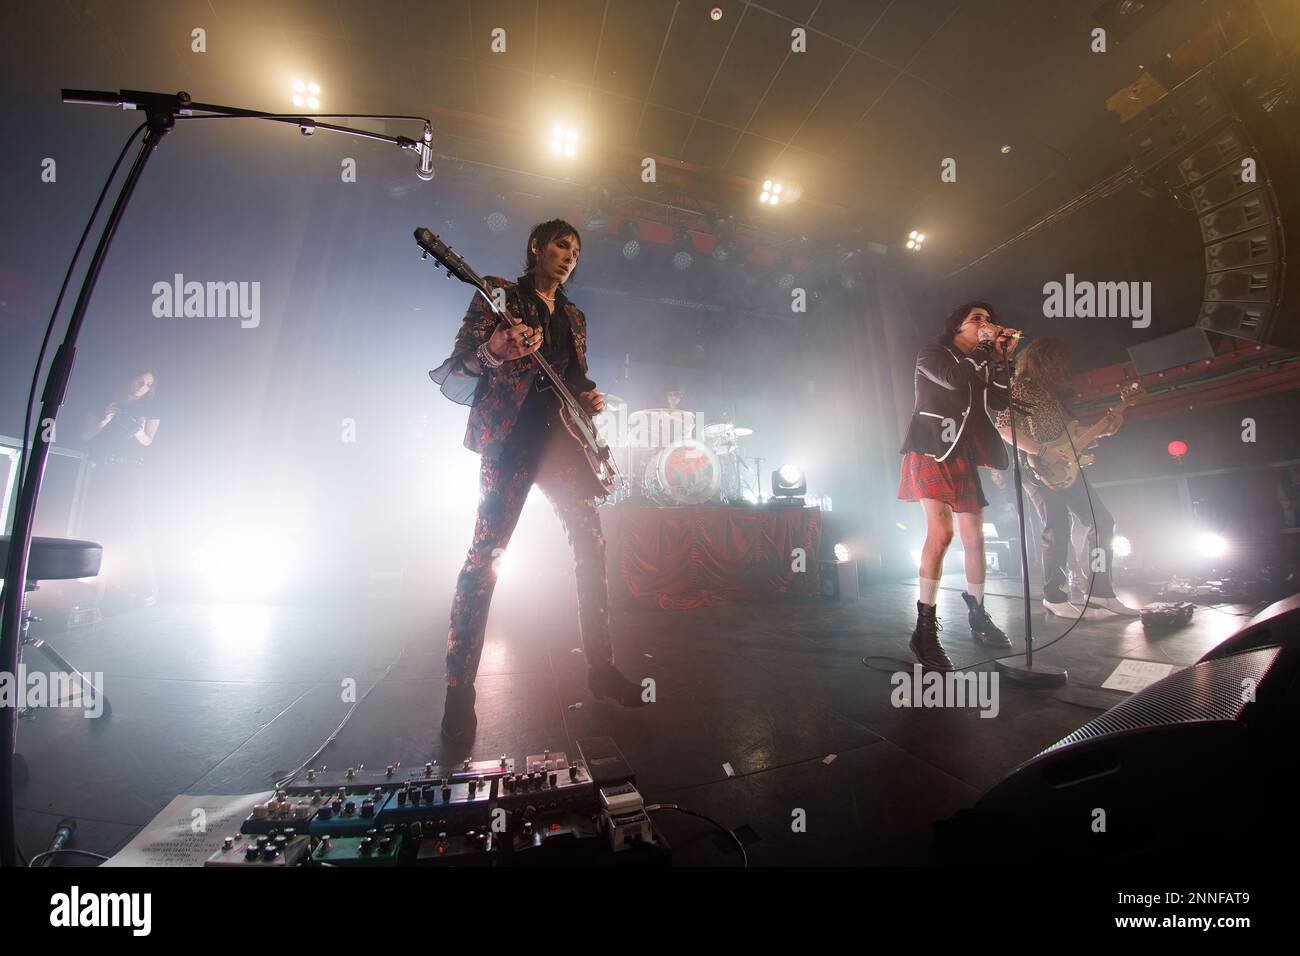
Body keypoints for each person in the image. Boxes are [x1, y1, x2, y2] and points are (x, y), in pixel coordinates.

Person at [429, 219, 645, 743]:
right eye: (561, 245)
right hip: (511, 442)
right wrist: (496, 350)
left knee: (592, 549)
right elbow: (458, 366)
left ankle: (601, 666)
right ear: (536, 247)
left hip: (564, 447)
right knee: (485, 558)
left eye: (576, 251)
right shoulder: (500, 296)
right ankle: (460, 690)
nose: (570, 256)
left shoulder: (573, 316)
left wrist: (589, 396)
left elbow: (576, 378)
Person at [898, 303, 1017, 671]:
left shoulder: (981, 360)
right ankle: (924, 629)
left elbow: (998, 399)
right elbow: (952, 379)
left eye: (988, 320)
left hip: (961, 452)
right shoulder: (932, 354)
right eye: (976, 320)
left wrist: (1000, 359)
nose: (985, 325)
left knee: (975, 537)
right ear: (956, 327)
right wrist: (984, 349)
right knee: (942, 534)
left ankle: (978, 613)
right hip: (931, 449)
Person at [994, 338, 1138, 617]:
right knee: (1056, 528)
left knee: (1101, 521)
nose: (1063, 367)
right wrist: (1041, 451)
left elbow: (1069, 435)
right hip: (1036, 468)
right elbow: (1004, 427)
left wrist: (1104, 429)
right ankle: (1054, 595)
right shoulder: (1021, 386)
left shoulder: (1053, 395)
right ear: (1043, 361)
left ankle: (1100, 592)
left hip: (1067, 467)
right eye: (1057, 361)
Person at [79, 369, 161, 607]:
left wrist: (136, 429)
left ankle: (147, 586)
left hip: (132, 470)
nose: (141, 386)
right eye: (139, 380)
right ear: (129, 378)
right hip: (104, 467)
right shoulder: (105, 401)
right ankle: (88, 582)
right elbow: (85, 435)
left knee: (136, 525)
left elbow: (148, 441)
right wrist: (105, 419)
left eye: (147, 384)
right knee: (96, 522)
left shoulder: (149, 409)